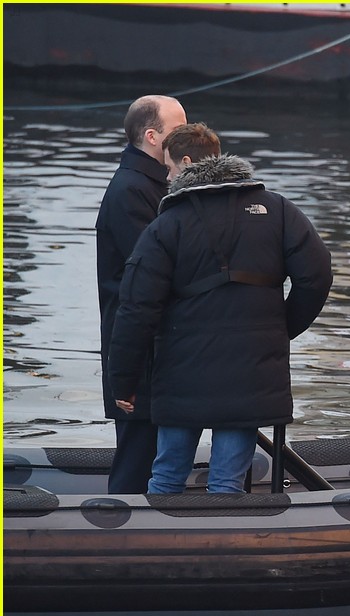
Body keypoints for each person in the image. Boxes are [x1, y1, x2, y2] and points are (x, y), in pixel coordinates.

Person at [108, 133, 333, 493]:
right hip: (251, 371)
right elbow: (317, 275)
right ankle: (227, 526)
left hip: (181, 371)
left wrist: (124, 380)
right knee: (228, 483)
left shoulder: (167, 225)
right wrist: (281, 329)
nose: (167, 177)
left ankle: (160, 527)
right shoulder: (278, 211)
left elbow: (136, 308)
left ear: (186, 165)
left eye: (168, 168)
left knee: (166, 477)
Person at [95, 94, 187, 493]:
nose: (188, 134)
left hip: (151, 339)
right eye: (179, 128)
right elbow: (152, 270)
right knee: (138, 451)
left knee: (148, 445)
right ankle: (120, 520)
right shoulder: (133, 190)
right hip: (139, 343)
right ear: (152, 136)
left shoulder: (151, 185)